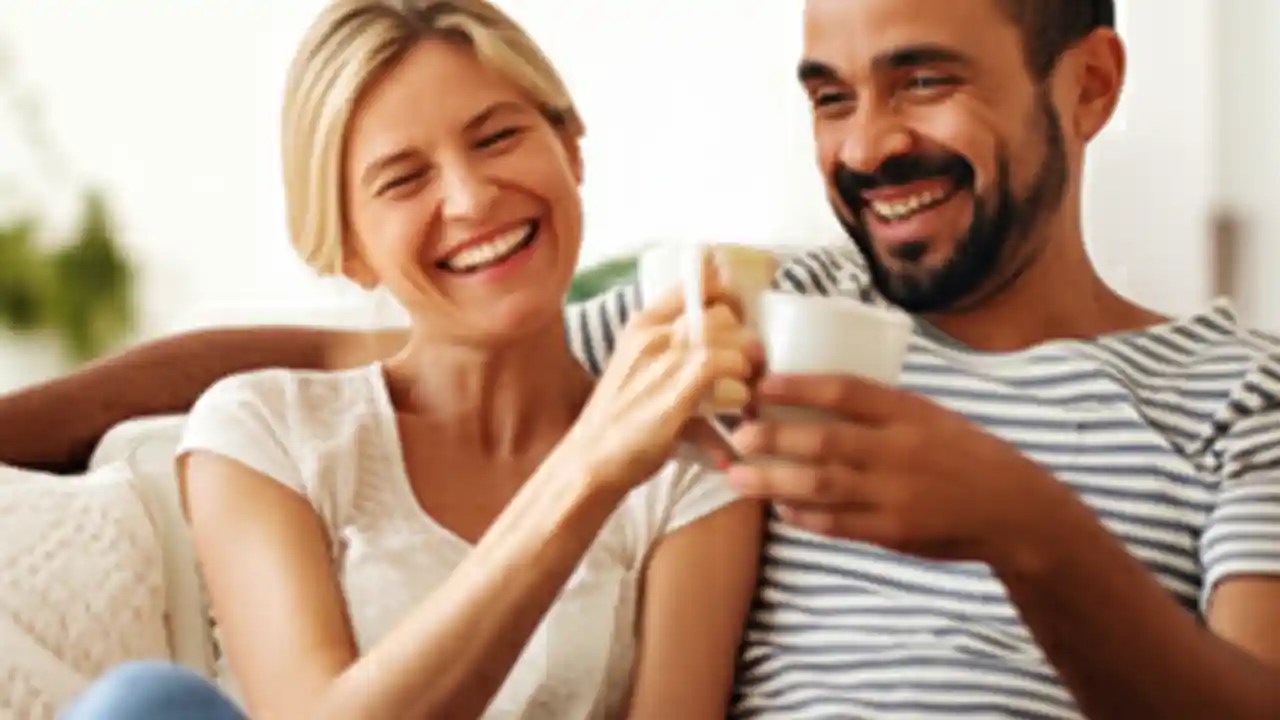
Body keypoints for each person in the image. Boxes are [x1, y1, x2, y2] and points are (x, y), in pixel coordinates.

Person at [6, 0, 1280, 717]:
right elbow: (389, 347)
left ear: (1090, 87)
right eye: (828, 99)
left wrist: (1025, 526)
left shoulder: (1242, 395)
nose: (866, 144)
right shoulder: (769, 315)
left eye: (922, 82)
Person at [58, 1, 765, 718]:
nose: (470, 198)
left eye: (496, 138)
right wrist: (586, 472)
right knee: (143, 706)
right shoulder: (265, 432)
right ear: (350, 249)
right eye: (403, 180)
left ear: (571, 148)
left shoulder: (689, 466)